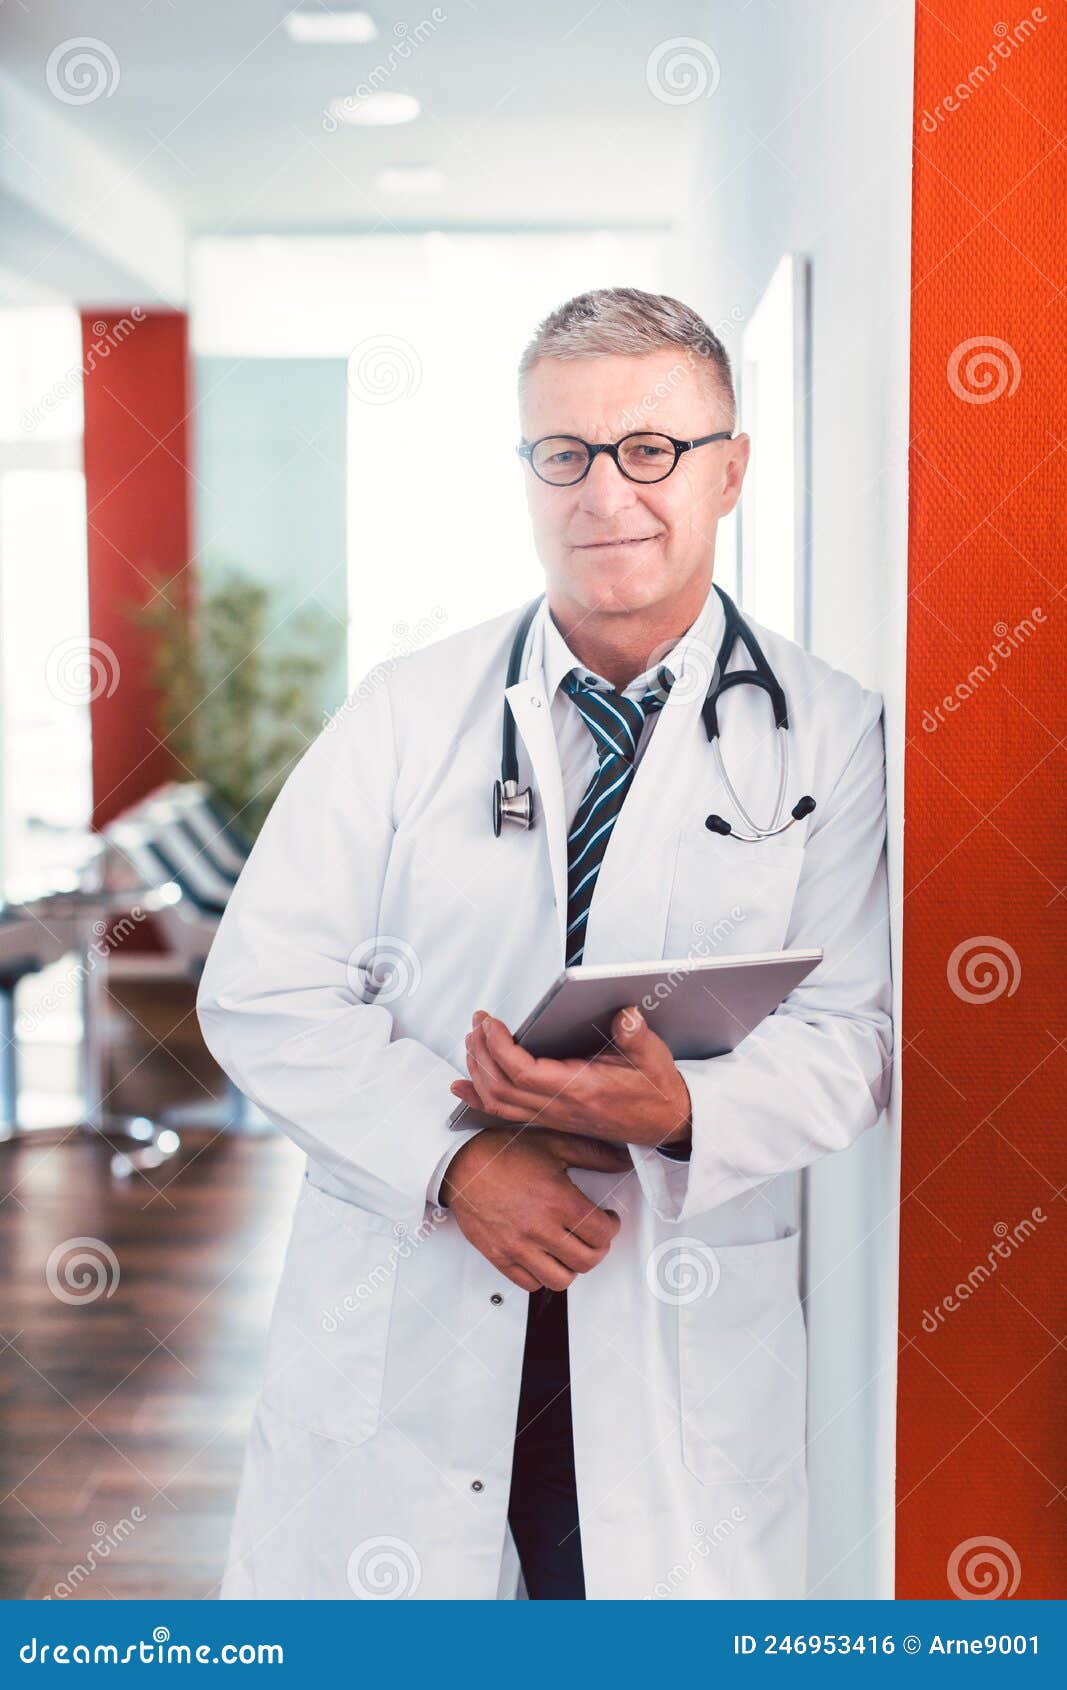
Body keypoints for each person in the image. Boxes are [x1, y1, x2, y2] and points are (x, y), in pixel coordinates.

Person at [196, 286, 892, 1601]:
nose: (603, 493)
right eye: (561, 454)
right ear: (526, 471)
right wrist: (458, 1160)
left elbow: (854, 1032)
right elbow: (264, 984)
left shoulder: (828, 729)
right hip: (418, 1292)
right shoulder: (408, 711)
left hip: (669, 1300)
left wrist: (689, 1103)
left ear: (730, 468)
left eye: (651, 449)